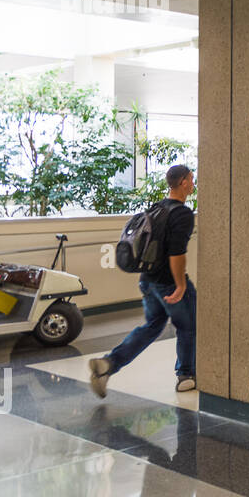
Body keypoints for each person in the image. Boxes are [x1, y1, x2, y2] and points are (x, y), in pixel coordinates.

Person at [90, 165, 197, 397]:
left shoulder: (157, 208)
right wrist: (180, 285)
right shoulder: (182, 214)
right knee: (188, 327)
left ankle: (109, 364)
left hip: (148, 281)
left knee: (151, 326)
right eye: (191, 179)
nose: (193, 182)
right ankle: (186, 376)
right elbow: (176, 254)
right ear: (182, 183)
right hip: (168, 282)